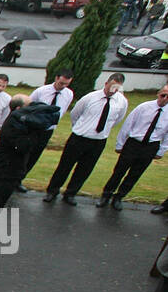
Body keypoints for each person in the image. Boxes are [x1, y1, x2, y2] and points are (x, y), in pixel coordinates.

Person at [44, 73, 128, 206]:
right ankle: (52, 191)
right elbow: (75, 114)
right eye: (111, 87)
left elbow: (118, 119)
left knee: (85, 170)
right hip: (79, 138)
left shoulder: (121, 102)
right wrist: (81, 128)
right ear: (106, 84)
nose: (113, 91)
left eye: (117, 89)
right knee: (64, 166)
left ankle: (70, 193)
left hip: (99, 140)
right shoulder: (90, 97)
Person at [0, 96, 58, 212]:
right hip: (3, 170)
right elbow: (25, 146)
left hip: (13, 170)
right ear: (19, 108)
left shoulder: (22, 123)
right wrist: (37, 133)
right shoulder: (13, 125)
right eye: (29, 107)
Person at [98, 84, 168, 210]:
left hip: (151, 146)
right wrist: (120, 144)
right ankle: (106, 195)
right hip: (134, 143)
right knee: (119, 171)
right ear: (158, 94)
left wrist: (161, 150)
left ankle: (119, 197)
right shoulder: (144, 107)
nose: (165, 98)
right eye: (163, 95)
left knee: (135, 174)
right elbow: (128, 124)